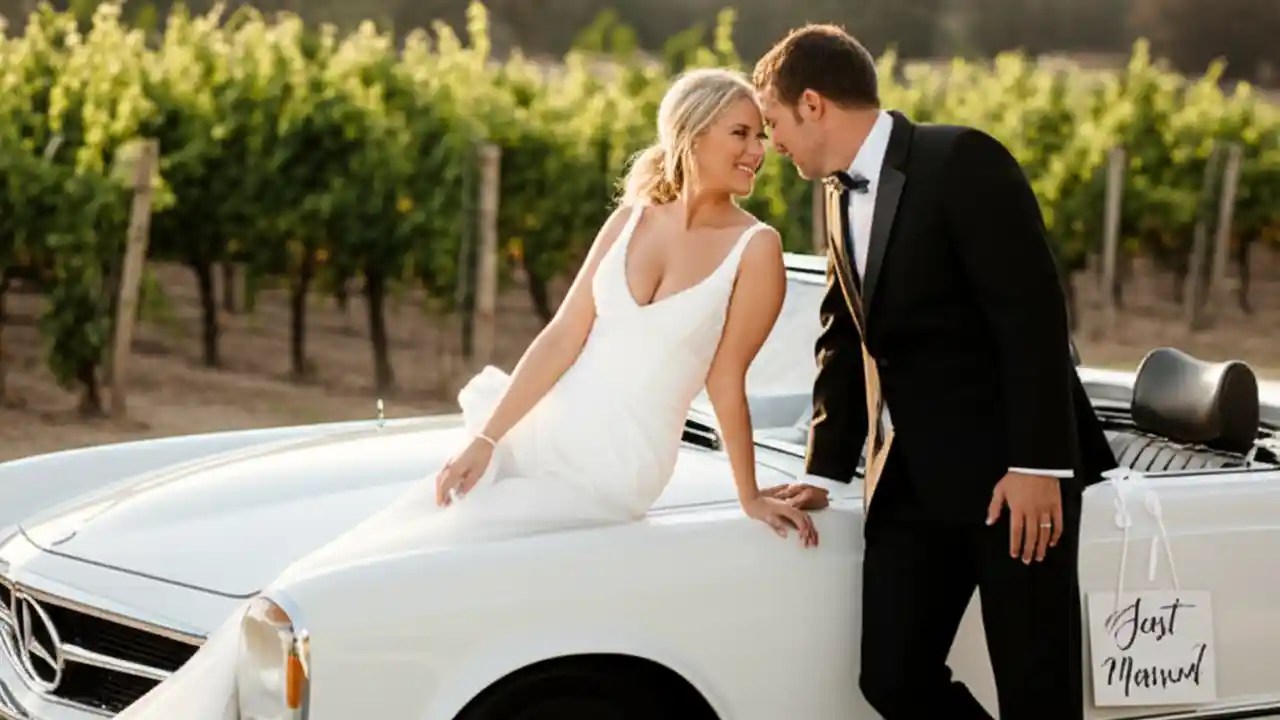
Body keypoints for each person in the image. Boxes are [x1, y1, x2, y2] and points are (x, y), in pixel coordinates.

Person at [113, 67, 817, 719]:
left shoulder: (755, 248)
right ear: (691, 134)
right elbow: (562, 336)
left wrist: (748, 493)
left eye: (761, 136)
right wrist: (488, 438)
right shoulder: (632, 216)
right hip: (543, 433)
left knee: (439, 552)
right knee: (371, 547)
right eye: (742, 133)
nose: (758, 150)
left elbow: (727, 381)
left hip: (614, 469)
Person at [751, 24, 1118, 720]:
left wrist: (1039, 465)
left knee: (1038, 695)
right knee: (891, 677)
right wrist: (825, 470)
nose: (774, 144)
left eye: (773, 124)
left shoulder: (962, 161)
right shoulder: (833, 195)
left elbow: (1032, 317)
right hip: (911, 485)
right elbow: (843, 333)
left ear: (812, 103)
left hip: (1013, 484)